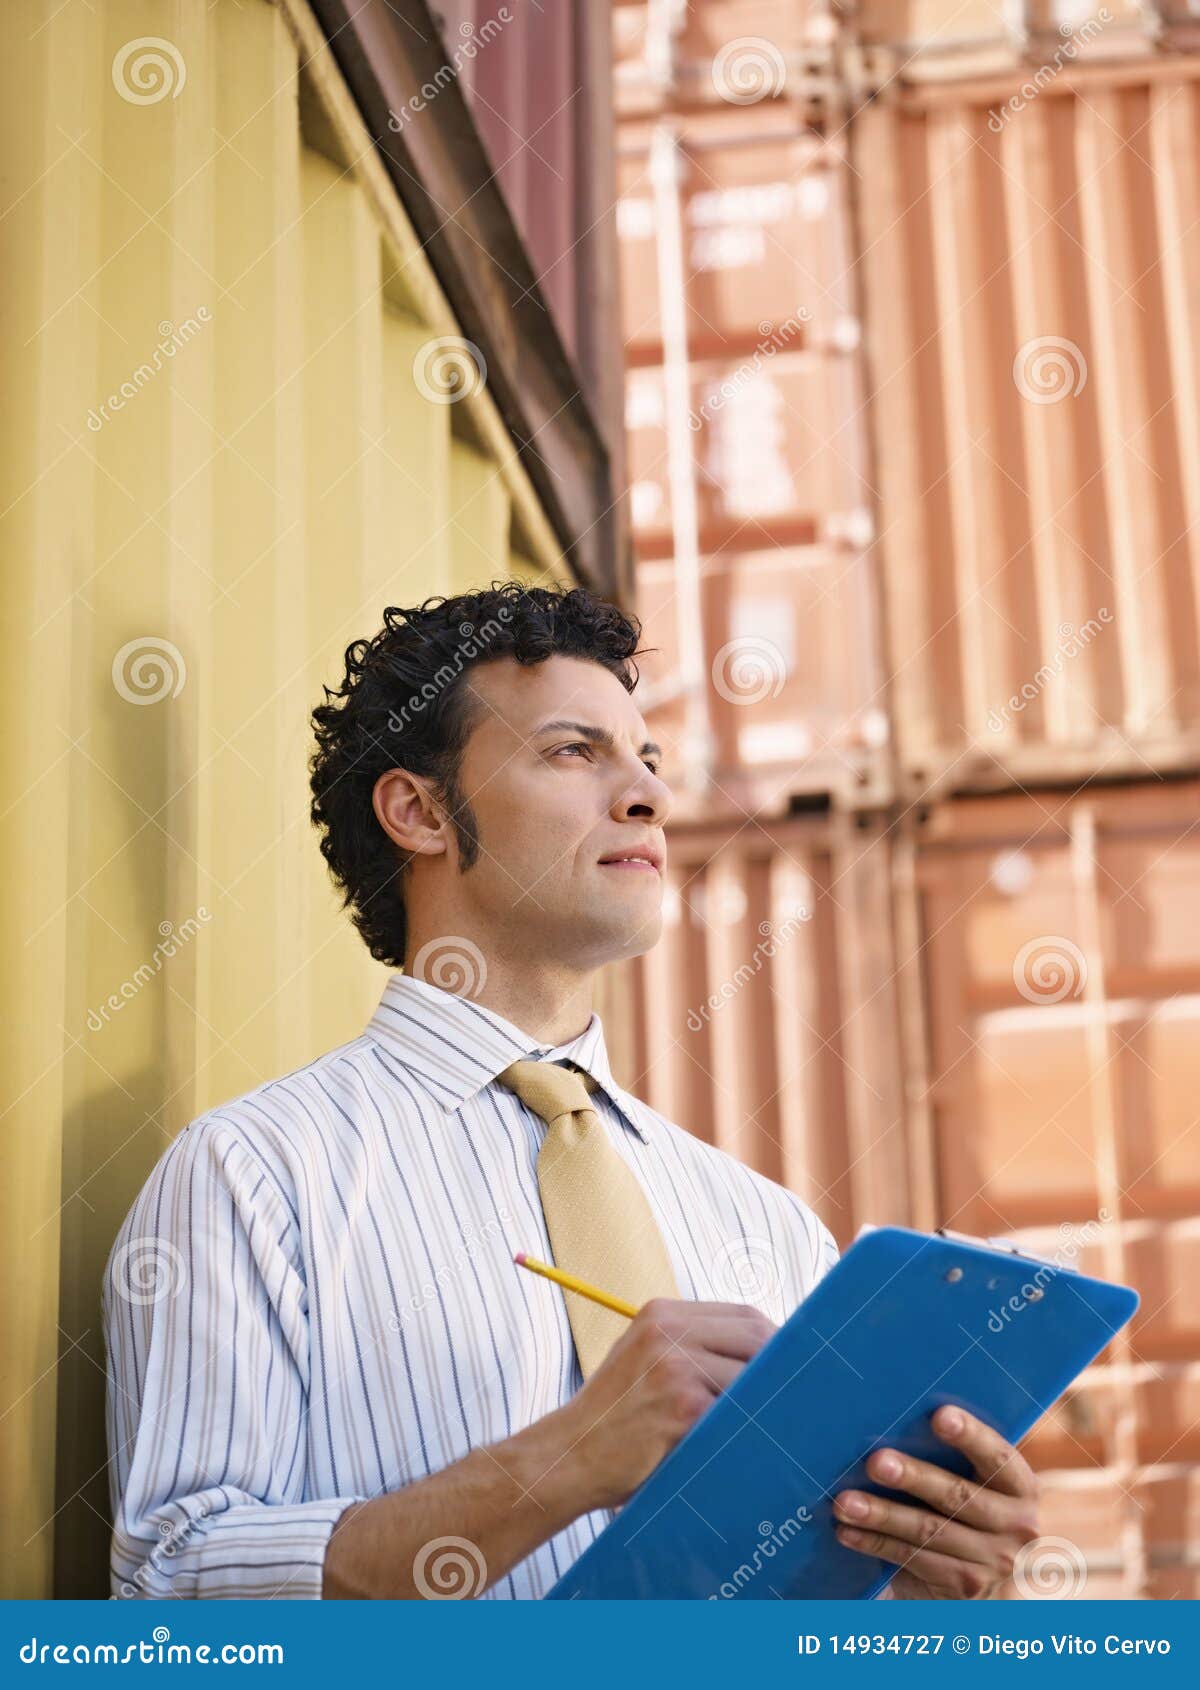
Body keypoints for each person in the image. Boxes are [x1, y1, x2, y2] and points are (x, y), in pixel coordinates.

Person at [103, 582, 1039, 1600]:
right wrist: (561, 1461)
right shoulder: (253, 1179)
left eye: (647, 760)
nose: (646, 796)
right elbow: (170, 1597)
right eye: (571, 752)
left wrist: (935, 1592)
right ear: (418, 810)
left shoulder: (771, 1230)